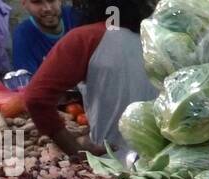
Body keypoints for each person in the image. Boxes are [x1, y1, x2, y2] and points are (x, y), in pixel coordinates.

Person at [24, 1, 158, 158]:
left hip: (114, 166)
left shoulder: (85, 38)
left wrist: (76, 152)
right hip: (170, 162)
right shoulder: (162, 40)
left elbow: (36, 99)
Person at [12, 0, 78, 75]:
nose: (47, 8)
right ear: (24, 4)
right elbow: (29, 83)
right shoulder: (23, 37)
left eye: (51, 0)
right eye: (37, 2)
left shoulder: (77, 17)